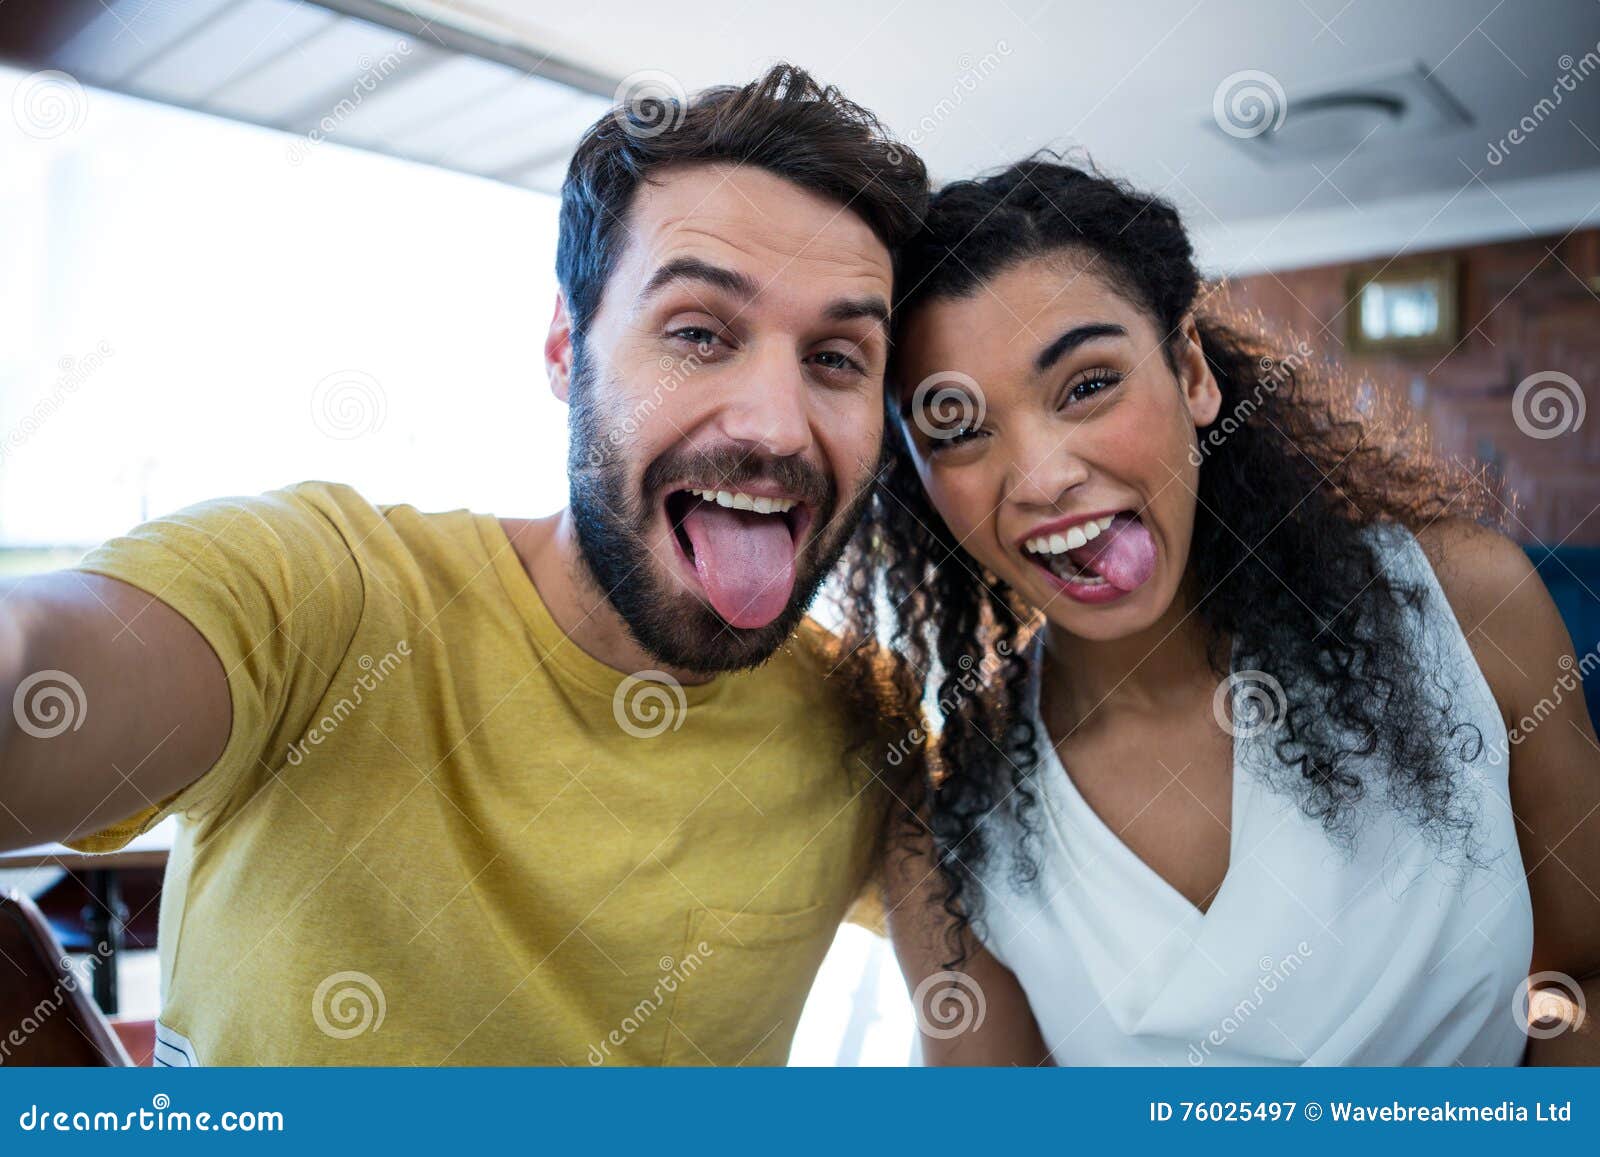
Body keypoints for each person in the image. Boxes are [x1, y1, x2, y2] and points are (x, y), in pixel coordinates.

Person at [0, 65, 927, 1066]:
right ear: (567, 350)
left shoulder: (860, 717)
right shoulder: (327, 593)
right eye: (698, 333)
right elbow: (50, 663)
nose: (776, 425)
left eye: (836, 357)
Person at [844, 157, 1600, 1065]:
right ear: (923, 483)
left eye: (1087, 384)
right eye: (957, 428)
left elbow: (1581, 973)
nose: (1043, 478)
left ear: (1193, 373)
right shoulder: (946, 820)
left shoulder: (1468, 605)